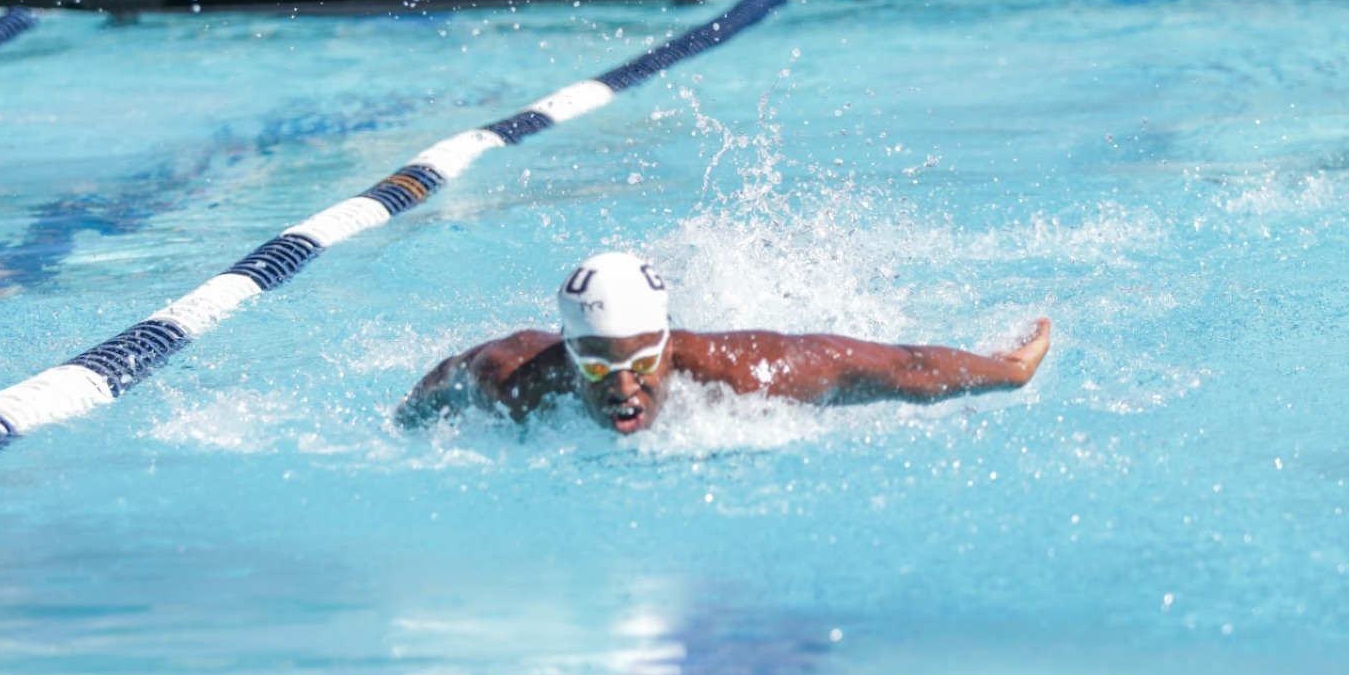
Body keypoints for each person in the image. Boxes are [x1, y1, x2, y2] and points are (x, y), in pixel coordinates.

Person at [397, 251, 1051, 435]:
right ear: (568, 354)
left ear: (666, 345)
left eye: (638, 362)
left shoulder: (747, 376)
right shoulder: (510, 380)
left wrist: (1005, 370)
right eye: (595, 364)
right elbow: (439, 385)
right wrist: (400, 428)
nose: (621, 388)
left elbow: (894, 367)